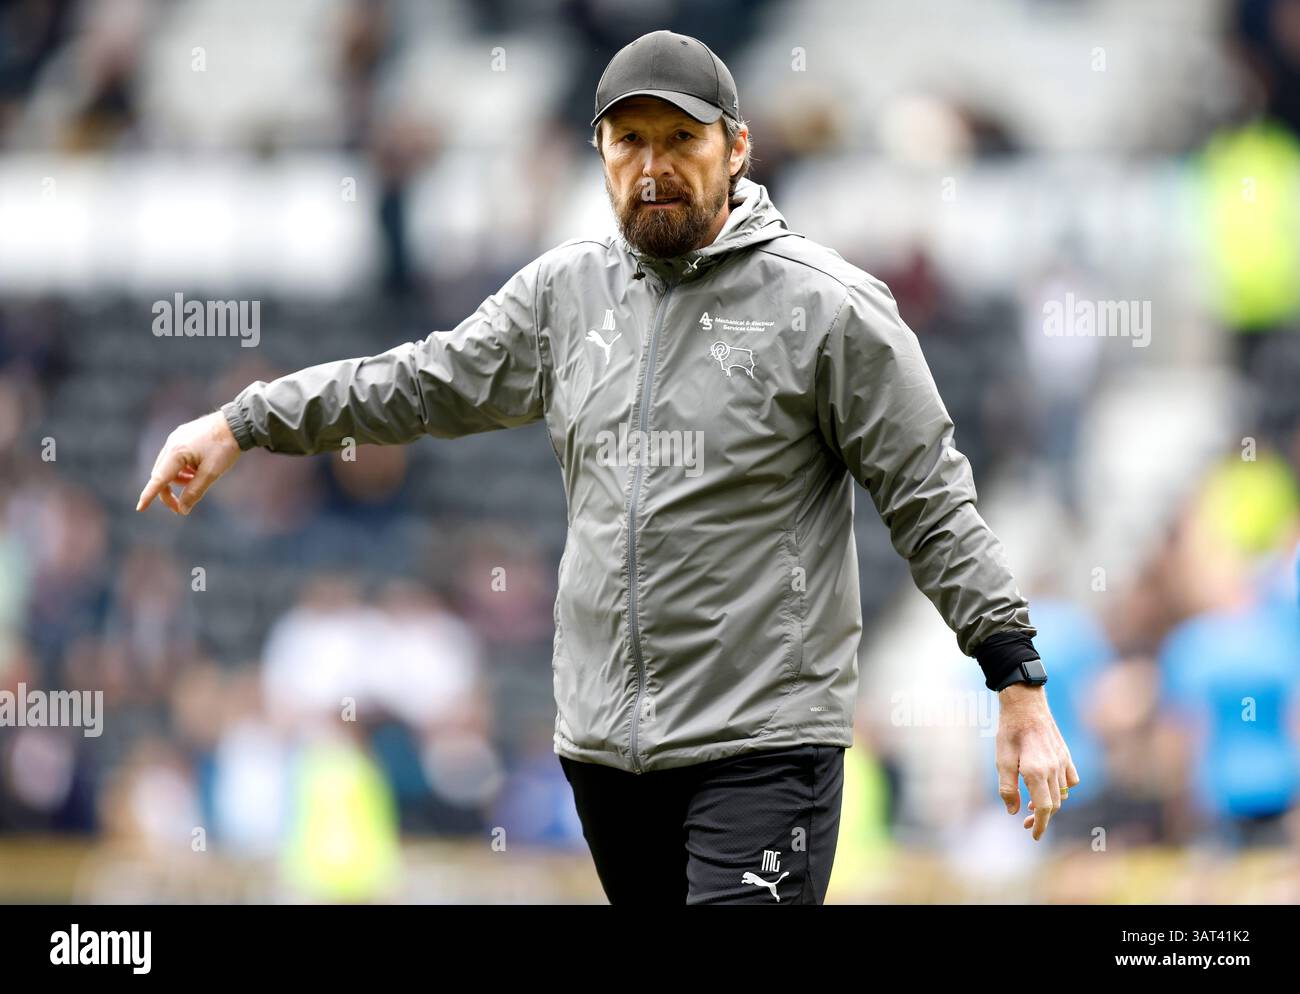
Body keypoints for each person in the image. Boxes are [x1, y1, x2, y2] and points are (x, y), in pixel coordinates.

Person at [137, 29, 1079, 905]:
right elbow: (417, 382)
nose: (654, 166)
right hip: (605, 756)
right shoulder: (564, 294)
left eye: (681, 138)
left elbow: (933, 501)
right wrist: (244, 421)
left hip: (763, 747)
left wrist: (1018, 683)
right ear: (600, 153)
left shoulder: (830, 309)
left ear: (738, 148)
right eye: (629, 140)